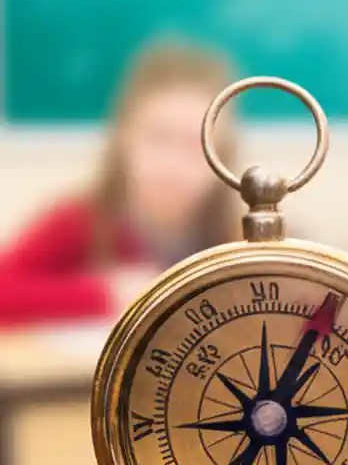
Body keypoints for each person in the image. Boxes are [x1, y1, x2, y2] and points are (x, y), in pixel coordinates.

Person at [0, 43, 239, 327]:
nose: (173, 165)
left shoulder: (236, 236)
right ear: (125, 137)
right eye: (160, 137)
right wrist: (104, 294)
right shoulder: (80, 220)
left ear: (223, 156)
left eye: (197, 145)